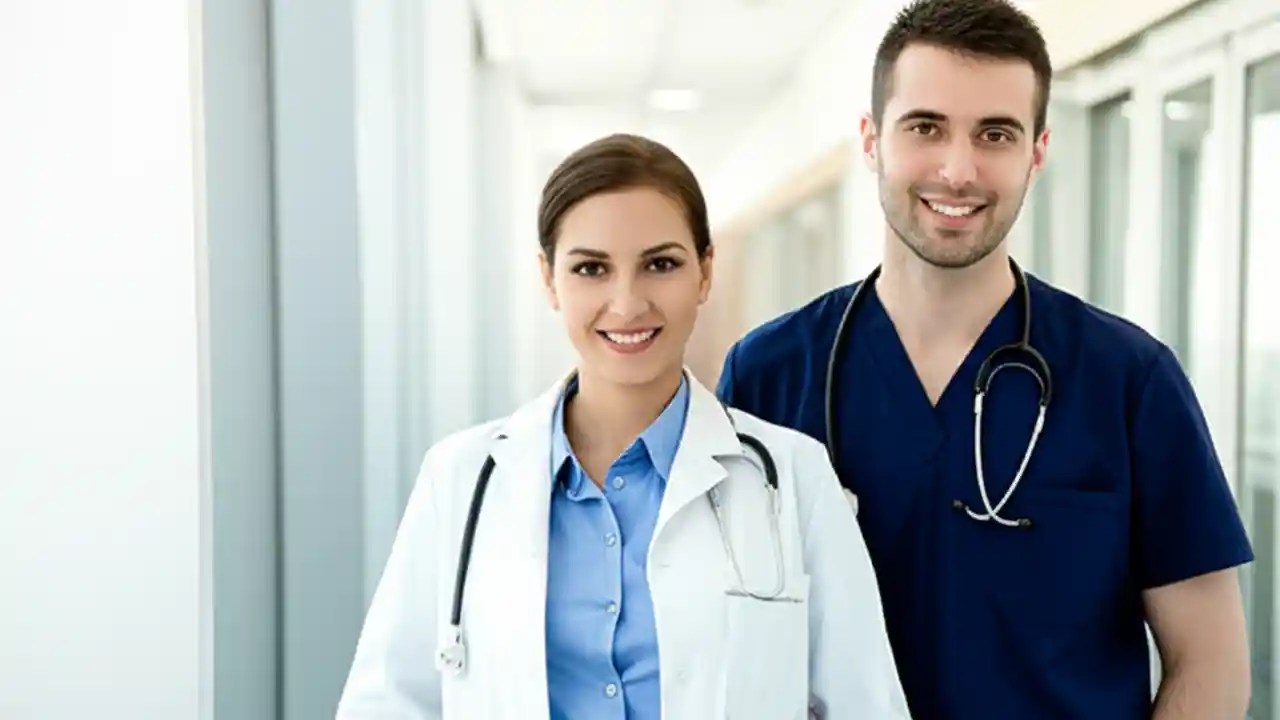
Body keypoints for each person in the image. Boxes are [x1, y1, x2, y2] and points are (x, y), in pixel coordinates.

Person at [715, 1, 1254, 718]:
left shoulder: (1128, 379)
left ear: (1036, 151)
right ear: (872, 141)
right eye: (926, 127)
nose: (958, 168)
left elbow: (1211, 663)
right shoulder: (769, 372)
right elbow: (721, 633)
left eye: (995, 133)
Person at [335, 133, 908, 719]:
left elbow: (866, 705)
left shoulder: (794, 478)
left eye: (660, 264)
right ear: (550, 280)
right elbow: (386, 703)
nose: (627, 303)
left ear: (705, 272)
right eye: (591, 268)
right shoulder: (460, 478)